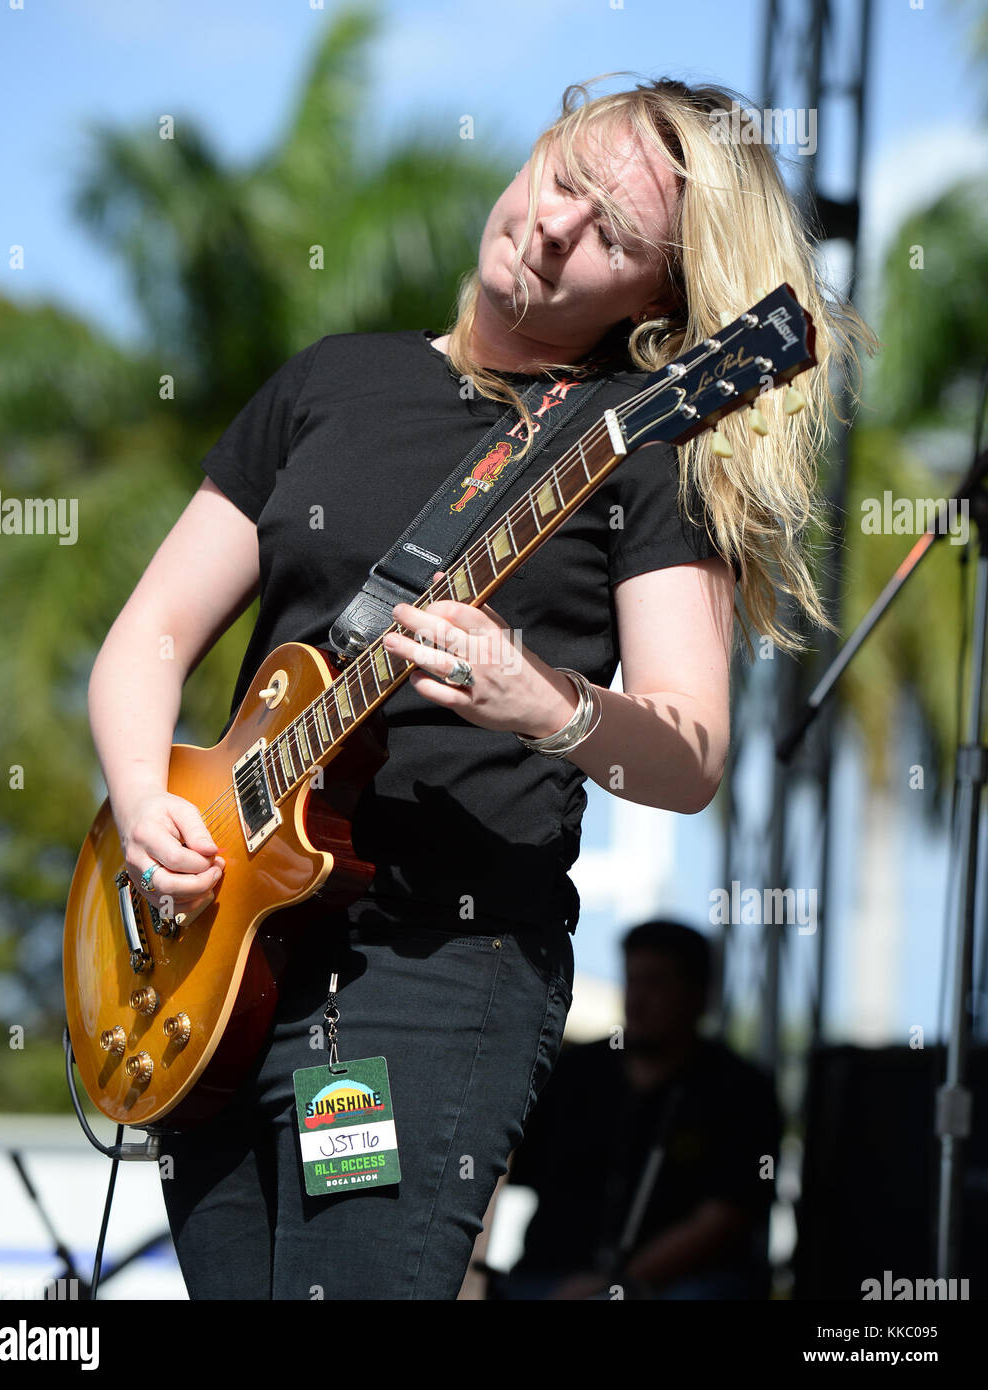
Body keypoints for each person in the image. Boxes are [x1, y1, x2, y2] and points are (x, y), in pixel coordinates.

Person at [85, 74, 874, 1300]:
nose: (556, 228)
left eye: (611, 235)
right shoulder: (326, 382)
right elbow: (145, 640)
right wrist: (144, 801)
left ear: (657, 300)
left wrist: (543, 701)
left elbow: (692, 751)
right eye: (564, 181)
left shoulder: (637, 444)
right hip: (221, 966)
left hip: (432, 973)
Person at [499, 920, 783, 1300]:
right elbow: (506, 1167)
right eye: (632, 980)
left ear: (698, 995)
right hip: (551, 1278)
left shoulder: (740, 1089)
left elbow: (727, 1215)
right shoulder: (573, 1072)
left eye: (656, 983)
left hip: (683, 1286)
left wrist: (614, 1285)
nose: (637, 998)